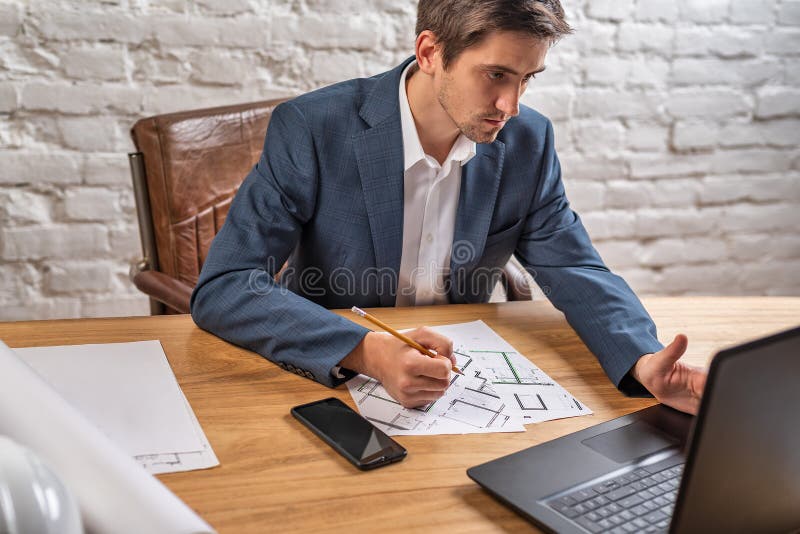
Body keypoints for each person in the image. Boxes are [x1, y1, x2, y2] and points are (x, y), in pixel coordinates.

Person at [191, 0, 707, 415]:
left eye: (528, 78)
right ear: (430, 52)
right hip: (328, 381)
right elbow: (226, 286)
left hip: (462, 387)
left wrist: (642, 359)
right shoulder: (311, 128)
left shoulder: (529, 140)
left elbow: (573, 265)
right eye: (496, 75)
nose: (512, 105)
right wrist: (366, 350)